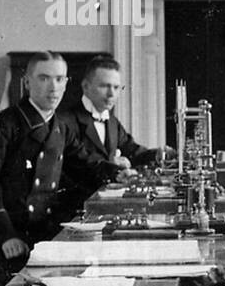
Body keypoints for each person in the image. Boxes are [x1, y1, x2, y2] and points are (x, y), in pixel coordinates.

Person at [0, 51, 102, 286]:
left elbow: (86, 164)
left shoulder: (60, 126)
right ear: (27, 82)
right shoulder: (2, 125)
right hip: (2, 233)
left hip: (41, 230)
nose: (54, 87)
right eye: (44, 78)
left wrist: (119, 172)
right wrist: (5, 235)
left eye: (60, 79)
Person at [61, 53, 173, 211]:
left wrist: (159, 154)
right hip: (77, 208)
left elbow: (133, 151)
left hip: (107, 205)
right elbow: (83, 164)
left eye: (116, 87)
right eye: (104, 86)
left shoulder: (112, 122)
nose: (111, 94)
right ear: (86, 86)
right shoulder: (66, 121)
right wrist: (116, 170)